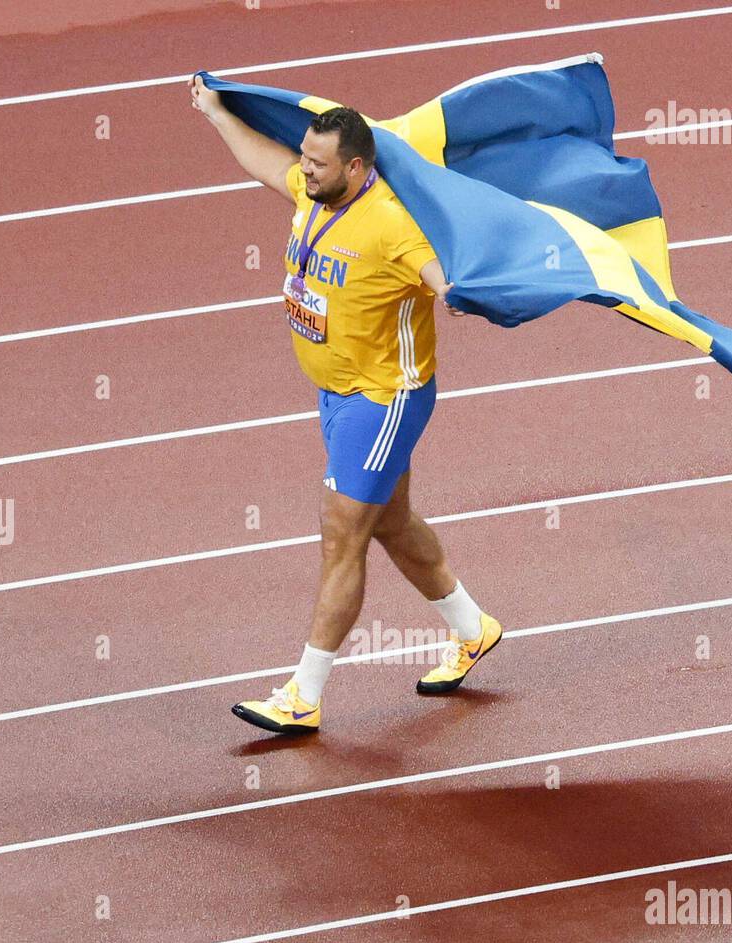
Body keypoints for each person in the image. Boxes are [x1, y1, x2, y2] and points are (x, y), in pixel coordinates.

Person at [190, 75, 502, 733]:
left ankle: (304, 694)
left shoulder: (392, 225)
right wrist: (218, 113)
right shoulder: (313, 192)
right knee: (391, 522)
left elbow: (441, 276)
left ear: (357, 167)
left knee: (342, 535)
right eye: (304, 158)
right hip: (336, 394)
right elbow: (263, 162)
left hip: (383, 399)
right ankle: (473, 628)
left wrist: (459, 291)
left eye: (318, 164)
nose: (304, 169)